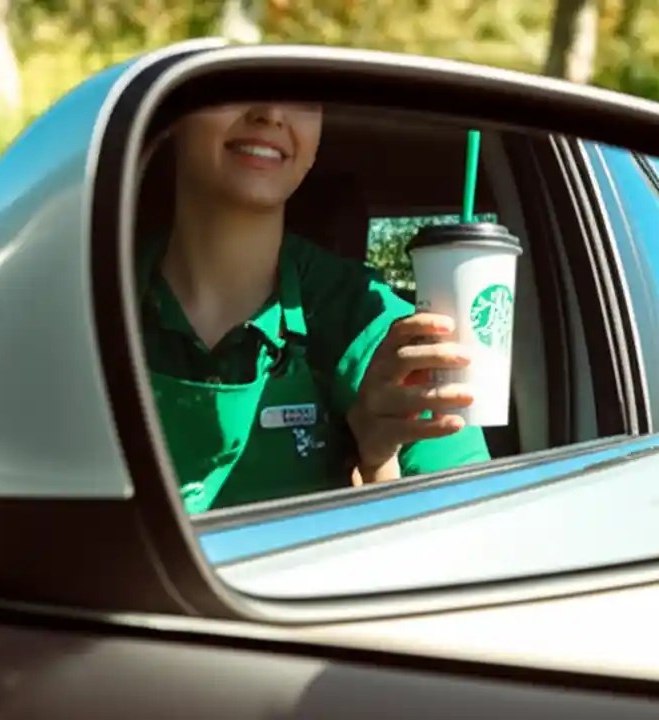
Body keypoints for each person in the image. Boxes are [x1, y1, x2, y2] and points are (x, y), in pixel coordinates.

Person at [135, 102, 491, 514]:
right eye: (237, 81)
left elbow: (467, 529)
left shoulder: (376, 326)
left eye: (301, 94)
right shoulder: (83, 299)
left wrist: (378, 462)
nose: (270, 112)